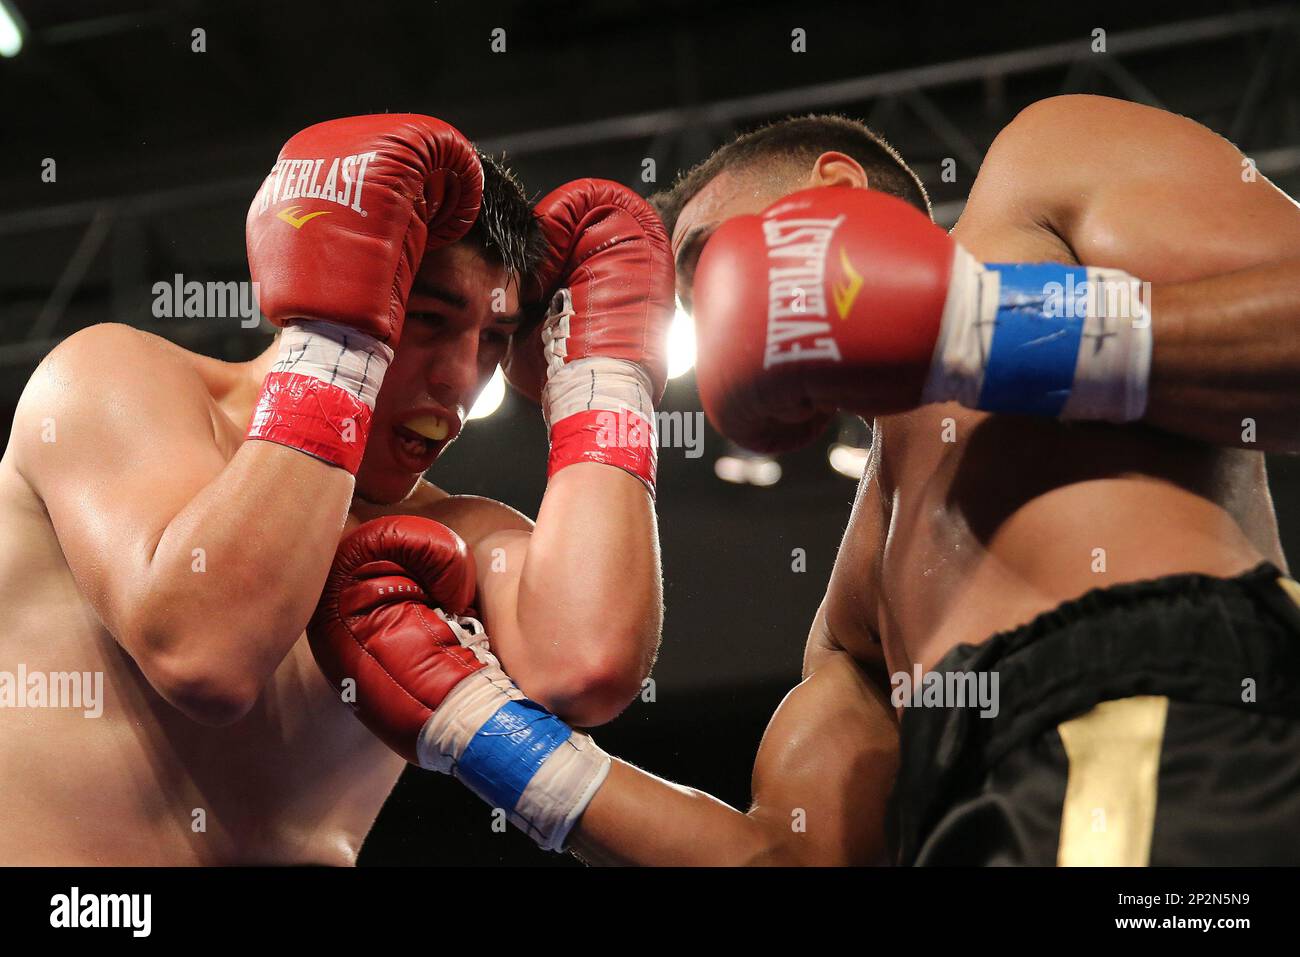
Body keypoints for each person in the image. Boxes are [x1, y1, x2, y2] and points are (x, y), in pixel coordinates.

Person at [312, 95, 1300, 865]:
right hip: (976, 824)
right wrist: (482, 731)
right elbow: (786, 858)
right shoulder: (859, 597)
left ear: (840, 182)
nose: (706, 308)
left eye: (703, 261)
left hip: (1178, 743)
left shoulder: (1041, 168)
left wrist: (972, 327)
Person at [0, 113, 672, 864]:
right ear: (338, 283)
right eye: (426, 318)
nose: (460, 378)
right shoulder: (118, 380)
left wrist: (606, 387)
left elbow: (587, 667)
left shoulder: (456, 530)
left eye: (492, 338)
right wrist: (337, 350)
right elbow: (204, 651)